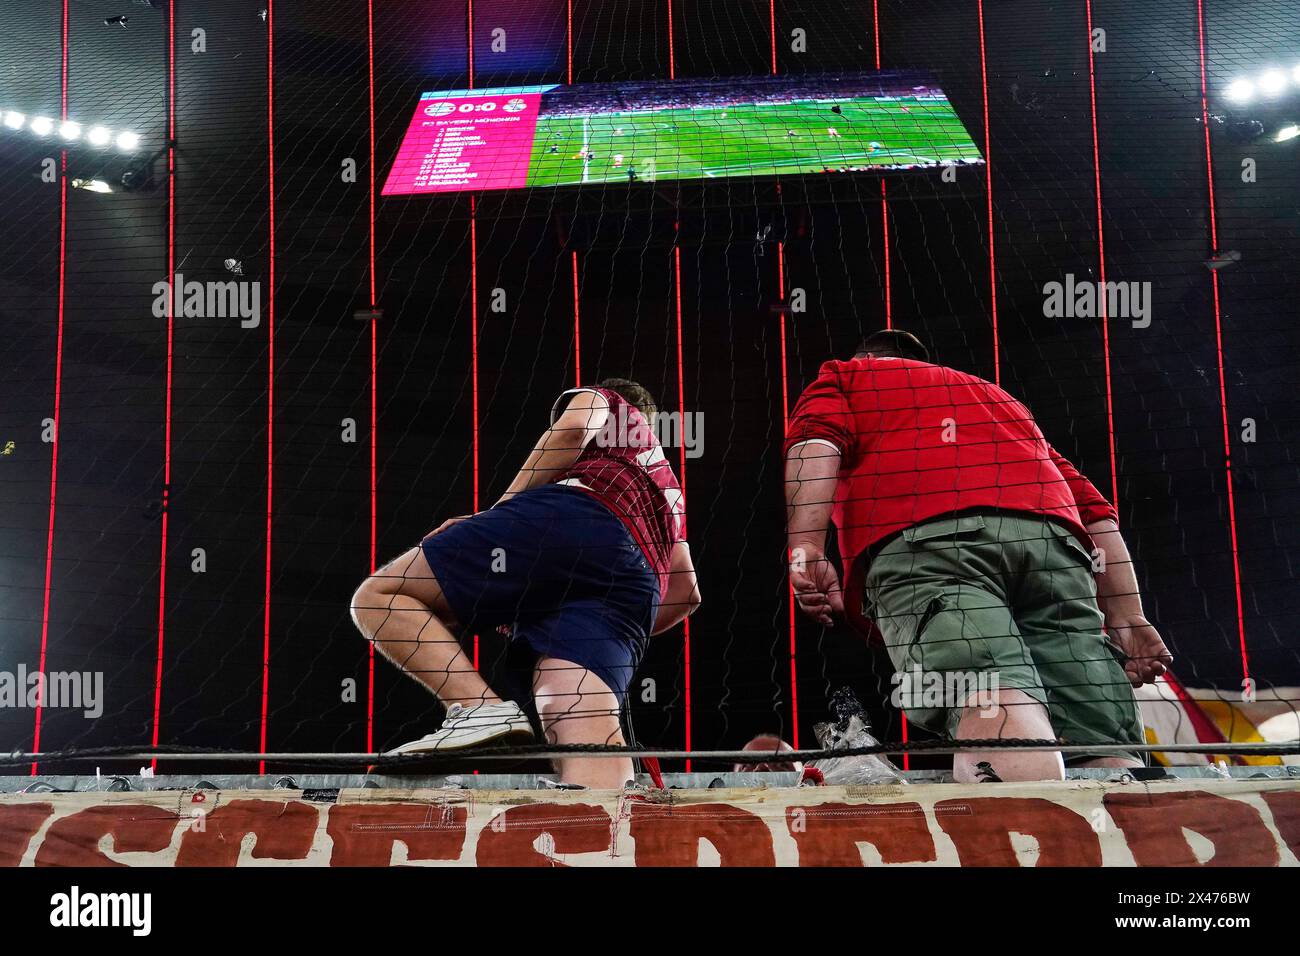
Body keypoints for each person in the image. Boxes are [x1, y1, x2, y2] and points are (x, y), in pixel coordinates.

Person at [783, 329, 1172, 783]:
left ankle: (1024, 848)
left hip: (934, 546)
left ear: (867, 356)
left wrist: (806, 546)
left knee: (990, 690)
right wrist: (1128, 615)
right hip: (1054, 549)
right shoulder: (998, 399)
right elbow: (1095, 511)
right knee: (1096, 730)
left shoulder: (847, 376)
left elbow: (816, 446)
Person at [351, 379, 700, 788]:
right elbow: (685, 591)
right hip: (631, 587)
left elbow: (572, 431)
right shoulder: (667, 490)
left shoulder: (608, 400)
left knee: (382, 596)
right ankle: (604, 831)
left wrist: (502, 510)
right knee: (580, 722)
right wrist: (600, 629)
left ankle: (479, 708)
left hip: (581, 518)